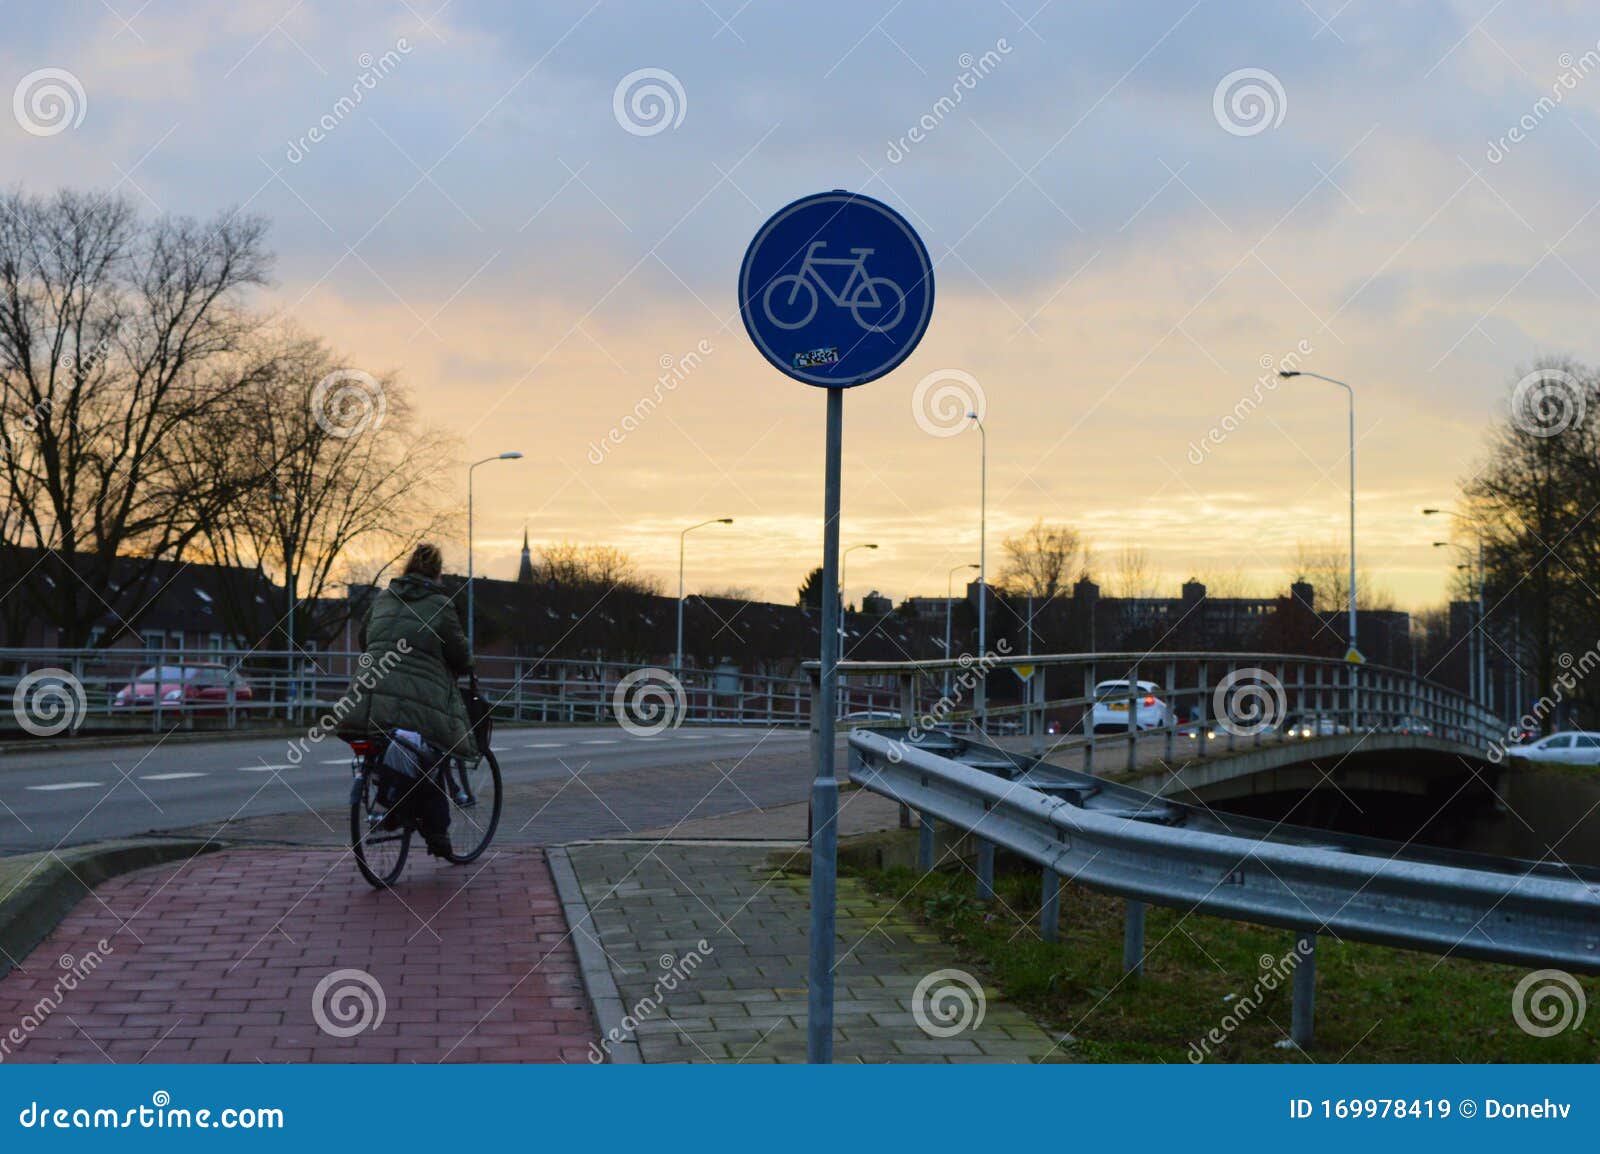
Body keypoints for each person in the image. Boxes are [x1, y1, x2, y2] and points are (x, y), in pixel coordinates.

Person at [338, 543, 475, 856]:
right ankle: (437, 836)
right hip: (416, 698)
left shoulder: (383, 598)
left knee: (395, 747)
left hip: (366, 694)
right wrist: (463, 665)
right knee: (433, 754)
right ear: (438, 572)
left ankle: (393, 799)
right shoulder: (441, 604)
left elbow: (364, 638)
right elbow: (458, 652)